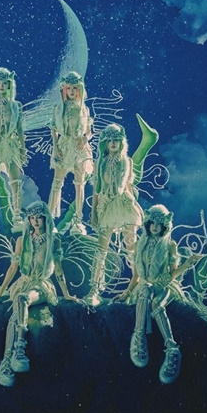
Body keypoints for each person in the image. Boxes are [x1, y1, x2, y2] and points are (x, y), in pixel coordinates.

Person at [0, 201, 80, 387]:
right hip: (23, 283)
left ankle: (19, 347)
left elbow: (58, 269)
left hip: (41, 286)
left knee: (22, 300)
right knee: (15, 313)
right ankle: (7, 360)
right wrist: (0, 291)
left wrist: (67, 294)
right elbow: (13, 267)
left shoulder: (54, 240)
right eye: (32, 218)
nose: (36, 221)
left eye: (39, 217)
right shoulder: (22, 241)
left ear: (46, 219)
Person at [113, 204, 202, 384]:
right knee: (145, 289)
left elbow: (172, 274)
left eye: (159, 223)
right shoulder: (140, 244)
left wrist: (188, 264)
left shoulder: (170, 245)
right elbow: (136, 276)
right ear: (147, 223)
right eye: (152, 222)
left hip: (163, 284)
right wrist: (126, 293)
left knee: (156, 304)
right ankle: (139, 338)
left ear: (165, 225)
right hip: (144, 287)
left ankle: (172, 348)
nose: (154, 226)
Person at [87, 123, 143, 307]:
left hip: (124, 204)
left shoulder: (127, 161)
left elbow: (126, 186)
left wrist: (135, 205)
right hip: (106, 206)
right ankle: (94, 290)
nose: (113, 143)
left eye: (116, 140)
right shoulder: (99, 163)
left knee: (131, 246)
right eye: (110, 140)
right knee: (101, 250)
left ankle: (137, 285)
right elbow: (97, 189)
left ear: (121, 142)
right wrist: (94, 212)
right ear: (105, 142)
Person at [48, 71, 93, 234]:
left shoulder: (84, 109)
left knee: (79, 185)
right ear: (64, 89)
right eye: (69, 88)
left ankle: (78, 220)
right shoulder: (59, 108)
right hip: (64, 145)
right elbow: (54, 130)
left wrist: (85, 139)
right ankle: (50, 219)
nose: (72, 91)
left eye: (75, 88)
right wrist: (55, 148)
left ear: (80, 89)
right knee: (57, 183)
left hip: (79, 149)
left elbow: (89, 131)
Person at [0, 67, 28, 232]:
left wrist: (22, 149)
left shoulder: (15, 106)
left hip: (10, 145)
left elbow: (20, 129)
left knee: (15, 181)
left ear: (9, 85)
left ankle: (17, 218)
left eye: (4, 83)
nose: (1, 86)